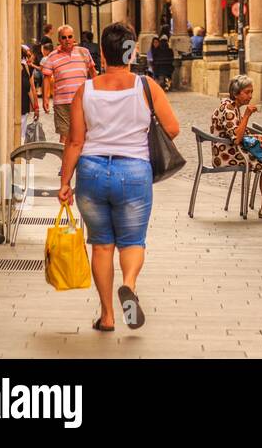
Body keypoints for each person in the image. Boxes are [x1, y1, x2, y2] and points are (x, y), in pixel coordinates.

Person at [57, 22, 181, 331]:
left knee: (101, 245)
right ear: (132, 51)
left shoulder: (85, 90)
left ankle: (108, 316)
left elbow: (74, 141)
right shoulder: (146, 86)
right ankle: (129, 284)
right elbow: (173, 128)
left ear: (100, 53)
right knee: (132, 242)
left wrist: (64, 183)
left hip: (92, 172)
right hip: (134, 171)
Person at [210, 75, 262, 218]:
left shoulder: (233, 106)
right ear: (236, 93)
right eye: (247, 92)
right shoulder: (228, 108)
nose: (250, 96)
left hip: (232, 150)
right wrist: (247, 115)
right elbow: (237, 138)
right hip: (225, 154)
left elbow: (239, 131)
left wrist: (255, 136)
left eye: (251, 92)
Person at [42, 25, 97, 141]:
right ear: (59, 39)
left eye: (70, 37)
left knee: (83, 134)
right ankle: (65, 159)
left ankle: (79, 159)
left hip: (82, 100)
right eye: (64, 37)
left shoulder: (84, 52)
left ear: (74, 38)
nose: (67, 40)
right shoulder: (52, 56)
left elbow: (93, 73)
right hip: (62, 102)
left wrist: (97, 92)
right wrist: (46, 99)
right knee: (64, 136)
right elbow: (46, 78)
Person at [21, 45, 42, 142]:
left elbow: (31, 88)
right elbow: (31, 88)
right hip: (19, 106)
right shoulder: (26, 68)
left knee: (21, 136)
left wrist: (36, 107)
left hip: (23, 106)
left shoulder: (27, 68)